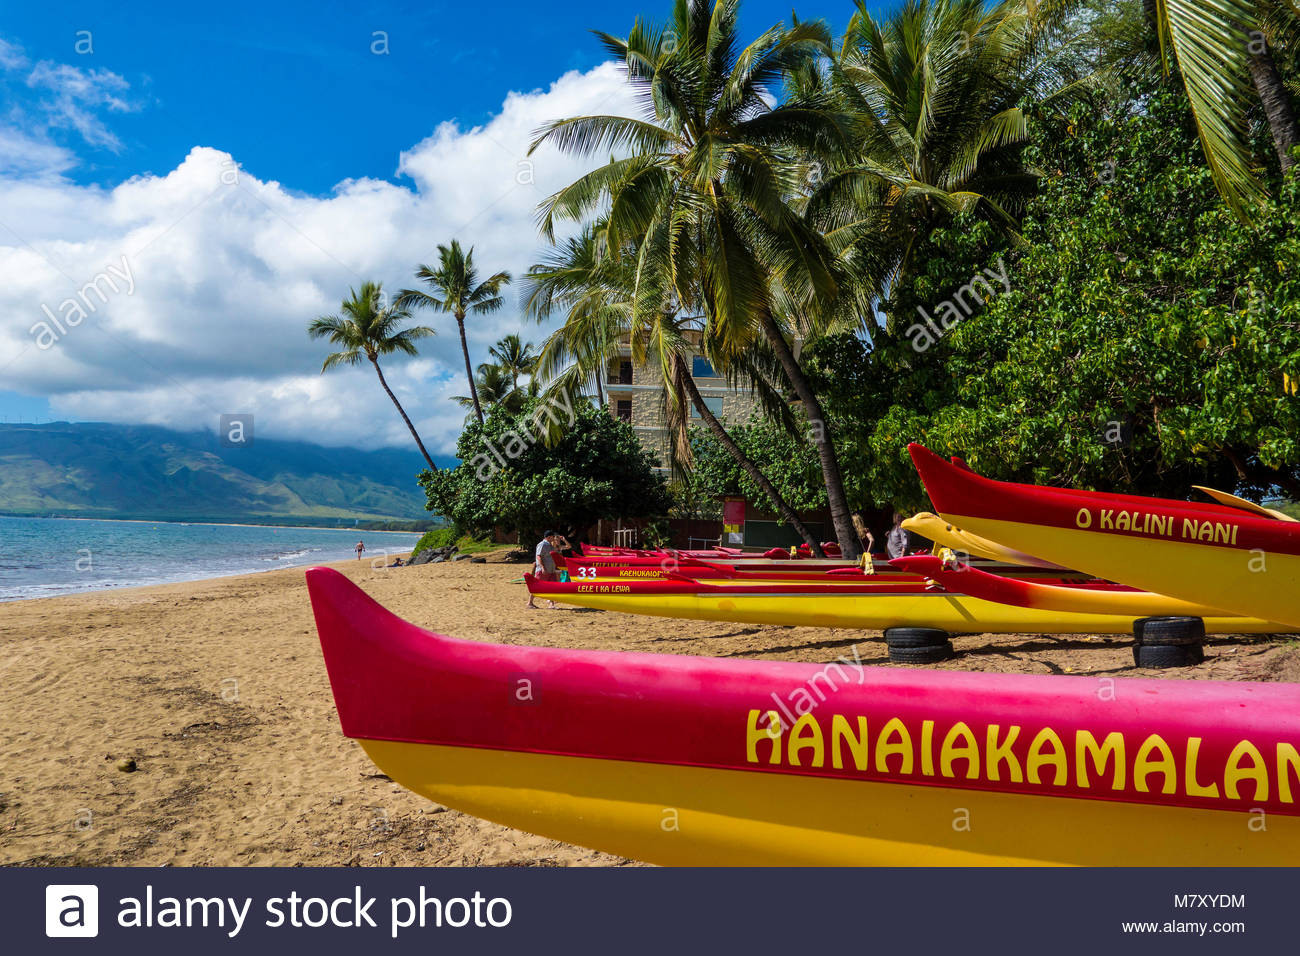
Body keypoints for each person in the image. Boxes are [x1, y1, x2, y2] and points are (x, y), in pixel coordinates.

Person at [527, 530, 569, 609]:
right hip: (543, 570)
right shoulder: (542, 544)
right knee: (537, 586)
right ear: (549, 537)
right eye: (553, 537)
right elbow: (538, 556)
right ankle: (530, 602)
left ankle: (551, 604)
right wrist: (543, 567)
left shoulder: (550, 545)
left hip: (551, 569)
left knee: (553, 586)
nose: (554, 539)